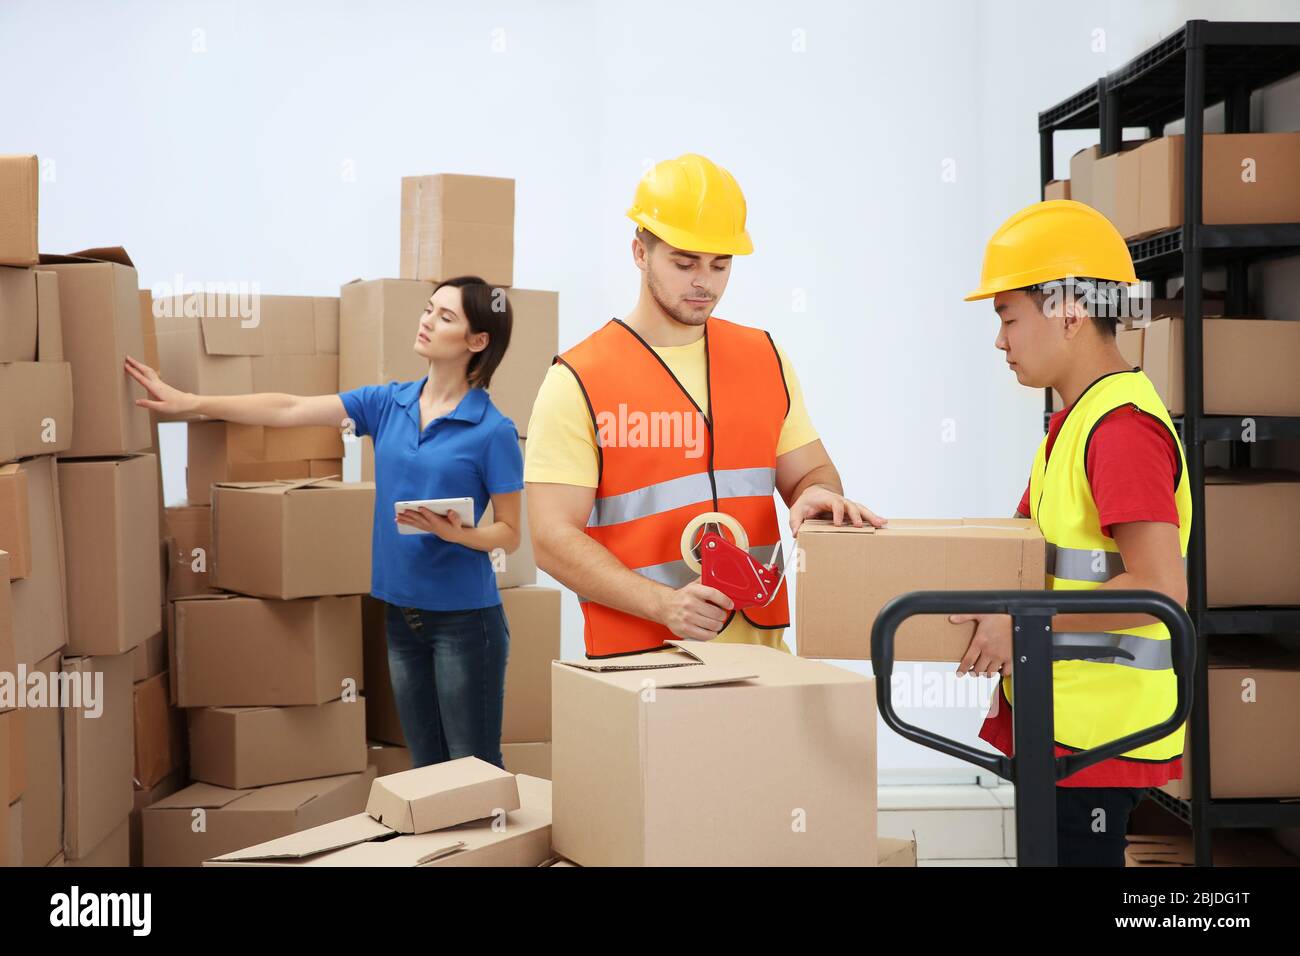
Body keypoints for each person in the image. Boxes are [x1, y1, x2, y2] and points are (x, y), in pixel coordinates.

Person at [125, 275, 524, 769]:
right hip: (401, 614)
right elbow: (289, 408)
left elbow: (510, 532)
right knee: (427, 767)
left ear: (477, 342)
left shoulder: (493, 431)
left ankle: (493, 845)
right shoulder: (389, 404)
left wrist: (455, 533)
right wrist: (193, 403)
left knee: (473, 769)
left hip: (465, 622)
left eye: (445, 317)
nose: (426, 321)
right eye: (428, 309)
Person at [526, 152, 885, 659]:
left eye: (720, 265)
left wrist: (815, 496)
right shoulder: (579, 379)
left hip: (764, 655)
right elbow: (550, 537)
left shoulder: (763, 356)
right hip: (642, 665)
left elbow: (811, 474)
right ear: (639, 252)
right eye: (684, 262)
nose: (705, 282)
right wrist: (663, 604)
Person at [957, 199, 1192, 866]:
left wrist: (1022, 625)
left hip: (1095, 735)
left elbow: (1159, 588)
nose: (1000, 340)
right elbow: (1038, 556)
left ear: (1068, 309)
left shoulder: (1120, 430)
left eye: (1008, 318)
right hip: (1061, 719)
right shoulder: (1077, 422)